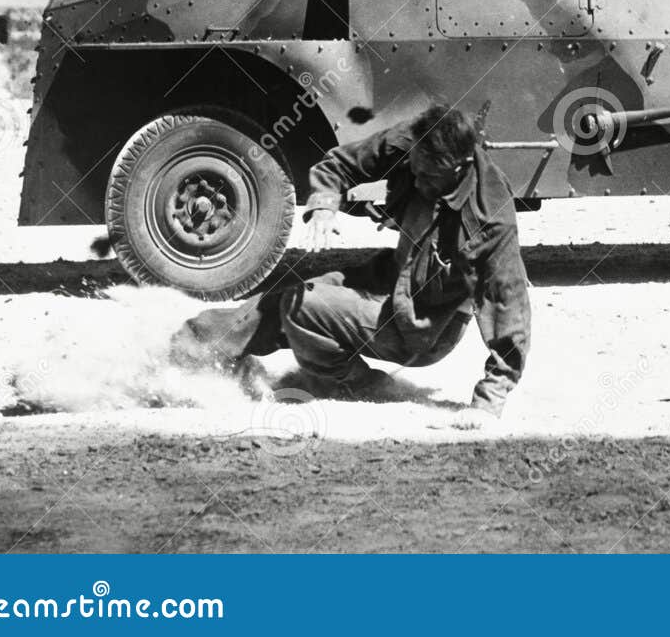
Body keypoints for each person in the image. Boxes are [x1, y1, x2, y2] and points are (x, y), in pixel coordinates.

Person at [168, 104, 531, 426]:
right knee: (281, 302)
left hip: (422, 326)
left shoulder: (489, 217)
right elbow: (340, 163)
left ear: (460, 167)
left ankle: (361, 385)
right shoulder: (415, 140)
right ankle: (187, 351)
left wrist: (487, 403)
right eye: (414, 171)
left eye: (429, 178)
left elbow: (509, 308)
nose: (418, 182)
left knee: (303, 306)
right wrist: (326, 202)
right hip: (391, 276)